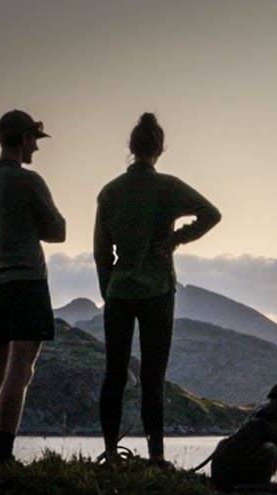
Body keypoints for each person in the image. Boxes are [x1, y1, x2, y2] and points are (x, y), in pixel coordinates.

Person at [95, 113, 222, 464]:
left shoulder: (110, 192)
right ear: (160, 149)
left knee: (114, 374)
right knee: (154, 376)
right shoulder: (168, 187)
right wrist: (175, 240)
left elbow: (101, 252)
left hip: (120, 292)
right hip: (158, 290)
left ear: (131, 147)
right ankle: (156, 456)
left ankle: (110, 453)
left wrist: (108, 289)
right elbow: (211, 214)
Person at [0, 109, 66, 466]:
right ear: (24, 138)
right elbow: (58, 231)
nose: (36, 149)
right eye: (34, 141)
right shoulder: (29, 181)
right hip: (27, 282)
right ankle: (4, 457)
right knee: (20, 371)